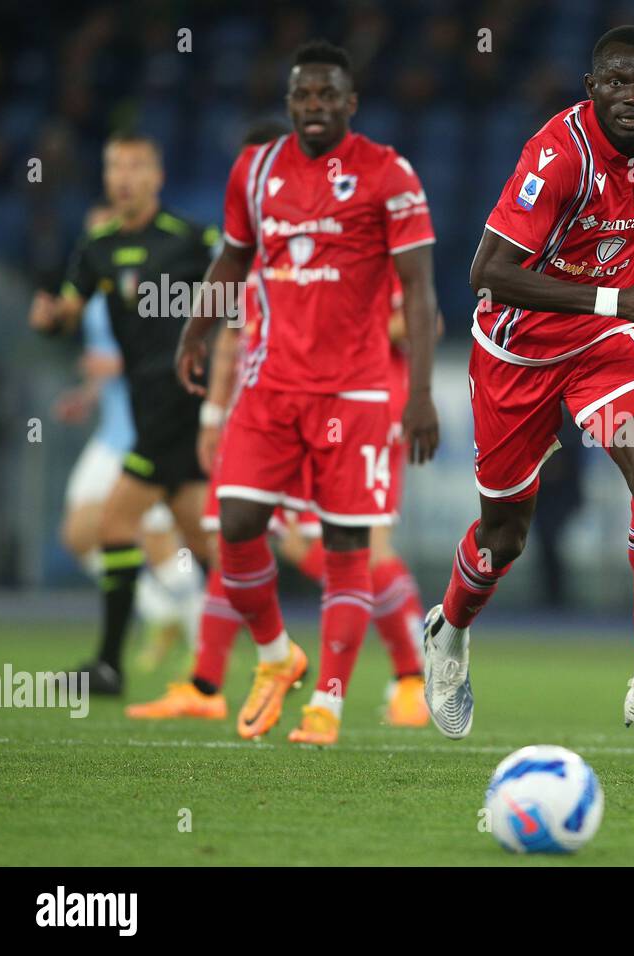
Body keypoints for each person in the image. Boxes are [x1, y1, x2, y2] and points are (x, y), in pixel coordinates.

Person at [420, 25, 634, 750]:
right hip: (517, 350)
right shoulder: (557, 155)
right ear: (592, 89)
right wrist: (614, 298)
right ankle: (448, 630)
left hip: (607, 344)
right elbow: (486, 272)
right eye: (619, 83)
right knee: (503, 539)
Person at [175, 41, 441, 746]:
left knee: (349, 546)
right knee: (233, 529)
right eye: (303, 97)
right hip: (269, 391)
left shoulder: (388, 174)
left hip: (353, 397)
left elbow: (419, 291)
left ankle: (329, 699)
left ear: (351, 103)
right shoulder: (255, 169)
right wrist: (195, 331)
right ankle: (275, 656)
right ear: (290, 102)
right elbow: (232, 257)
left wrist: (421, 393)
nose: (314, 107)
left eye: (328, 96)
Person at [30, 134, 217, 694]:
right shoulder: (98, 248)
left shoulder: (189, 240)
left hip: (182, 402)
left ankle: (109, 665)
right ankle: (272, 651)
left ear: (157, 176)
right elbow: (68, 309)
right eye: (115, 166)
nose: (125, 176)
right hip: (146, 406)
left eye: (136, 165)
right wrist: (50, 319)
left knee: (112, 525)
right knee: (204, 542)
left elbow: (242, 289)